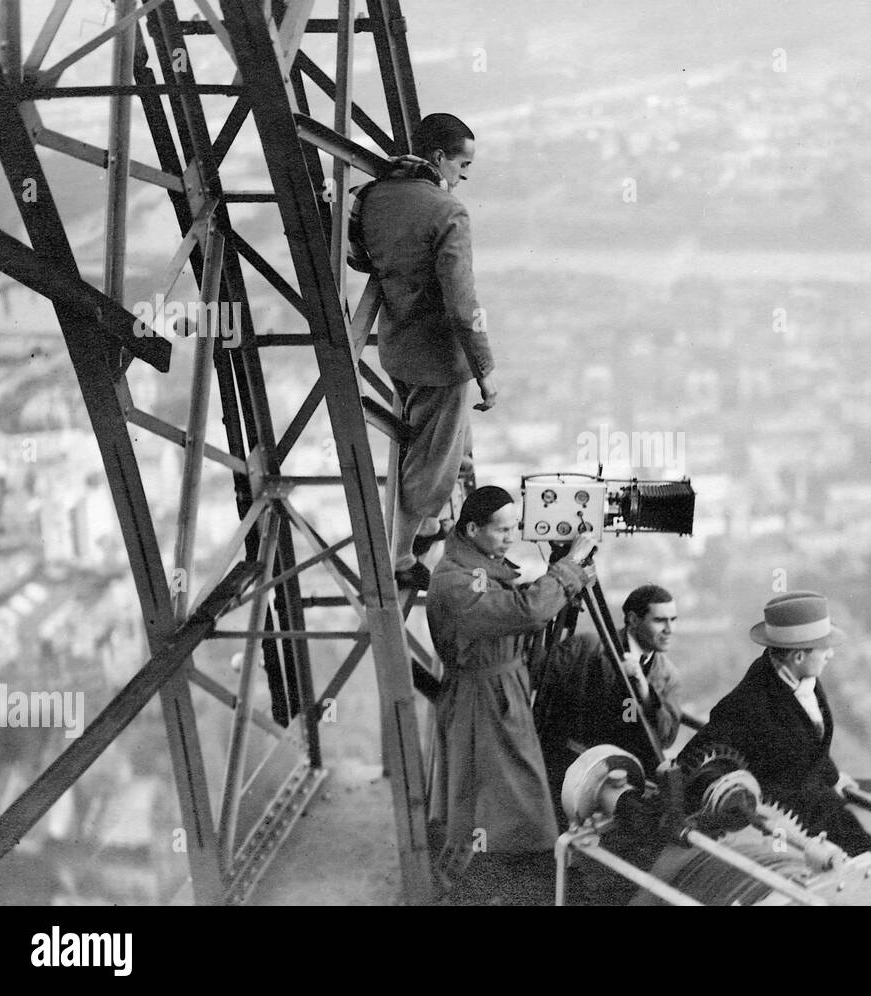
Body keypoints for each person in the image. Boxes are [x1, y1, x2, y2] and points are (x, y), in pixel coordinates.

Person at [425, 485, 595, 898]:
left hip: (499, 691)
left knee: (504, 790)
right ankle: (489, 882)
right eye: (502, 530)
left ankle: (505, 874)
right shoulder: (454, 580)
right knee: (493, 794)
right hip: (482, 699)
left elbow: (516, 603)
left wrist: (559, 575)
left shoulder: (477, 565)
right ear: (472, 529)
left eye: (515, 527)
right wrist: (569, 567)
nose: (511, 537)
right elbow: (523, 611)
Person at [358, 112, 496, 590]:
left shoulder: (371, 196)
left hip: (397, 350)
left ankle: (433, 525)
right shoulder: (447, 212)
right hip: (440, 361)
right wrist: (485, 370)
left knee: (443, 444)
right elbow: (462, 304)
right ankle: (398, 557)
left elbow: (358, 258)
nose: (464, 174)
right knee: (430, 469)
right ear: (439, 158)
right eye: (462, 163)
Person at [682, 590, 871, 857]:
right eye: (824, 648)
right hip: (780, 816)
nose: (830, 654)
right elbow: (701, 756)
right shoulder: (750, 705)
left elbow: (810, 745)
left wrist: (832, 777)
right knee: (863, 863)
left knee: (869, 855)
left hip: (808, 799)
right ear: (798, 656)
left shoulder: (800, 678)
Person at [533, 584, 683, 817]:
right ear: (633, 619)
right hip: (564, 773)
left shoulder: (667, 675)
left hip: (625, 783)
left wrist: (645, 692)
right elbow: (535, 679)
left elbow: (666, 738)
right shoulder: (587, 647)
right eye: (660, 620)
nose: (669, 629)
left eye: (673, 620)